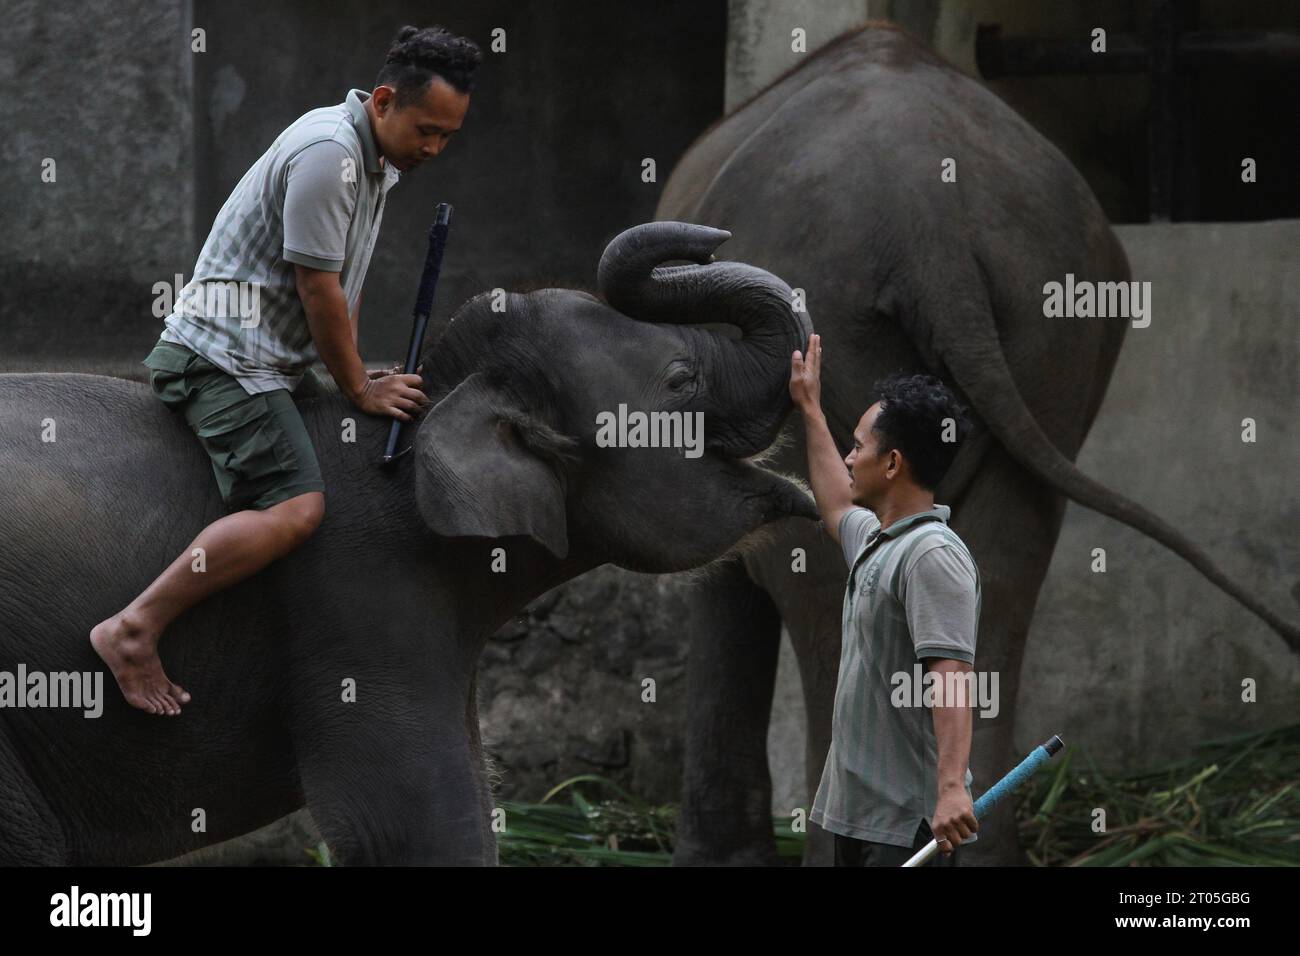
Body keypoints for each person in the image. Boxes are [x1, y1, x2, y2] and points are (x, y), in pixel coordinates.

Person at [90, 25, 481, 716]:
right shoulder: (332, 154)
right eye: (427, 131)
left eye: (448, 138)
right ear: (384, 100)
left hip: (276, 355)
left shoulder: (373, 155)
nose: (434, 150)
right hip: (224, 357)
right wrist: (358, 385)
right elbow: (318, 289)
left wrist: (355, 375)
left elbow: (344, 282)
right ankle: (133, 627)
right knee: (299, 509)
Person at [789, 333, 982, 866]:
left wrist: (950, 790)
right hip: (862, 816)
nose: (850, 457)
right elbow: (832, 502)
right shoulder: (878, 541)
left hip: (908, 822)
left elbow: (951, 674)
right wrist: (809, 407)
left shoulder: (931, 555)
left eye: (859, 446)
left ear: (893, 463)